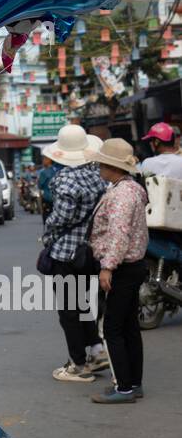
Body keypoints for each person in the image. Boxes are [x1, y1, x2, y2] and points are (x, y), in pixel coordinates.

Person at [41, 125, 107, 384]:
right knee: (83, 304)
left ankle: (78, 364)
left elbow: (62, 217)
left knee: (68, 310)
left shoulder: (65, 179)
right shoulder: (96, 175)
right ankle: (97, 350)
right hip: (90, 251)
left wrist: (48, 231)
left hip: (67, 252)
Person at [89, 139, 149, 405]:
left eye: (102, 162)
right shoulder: (131, 188)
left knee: (111, 328)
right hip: (133, 265)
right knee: (128, 327)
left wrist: (107, 267)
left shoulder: (121, 195)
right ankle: (133, 383)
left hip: (122, 267)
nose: (99, 166)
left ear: (110, 166)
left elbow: (118, 234)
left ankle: (123, 387)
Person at [37, 154, 57, 222]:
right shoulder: (57, 171)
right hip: (58, 198)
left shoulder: (44, 173)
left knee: (47, 219)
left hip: (47, 198)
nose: (43, 161)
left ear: (49, 160)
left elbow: (40, 185)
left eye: (44, 159)